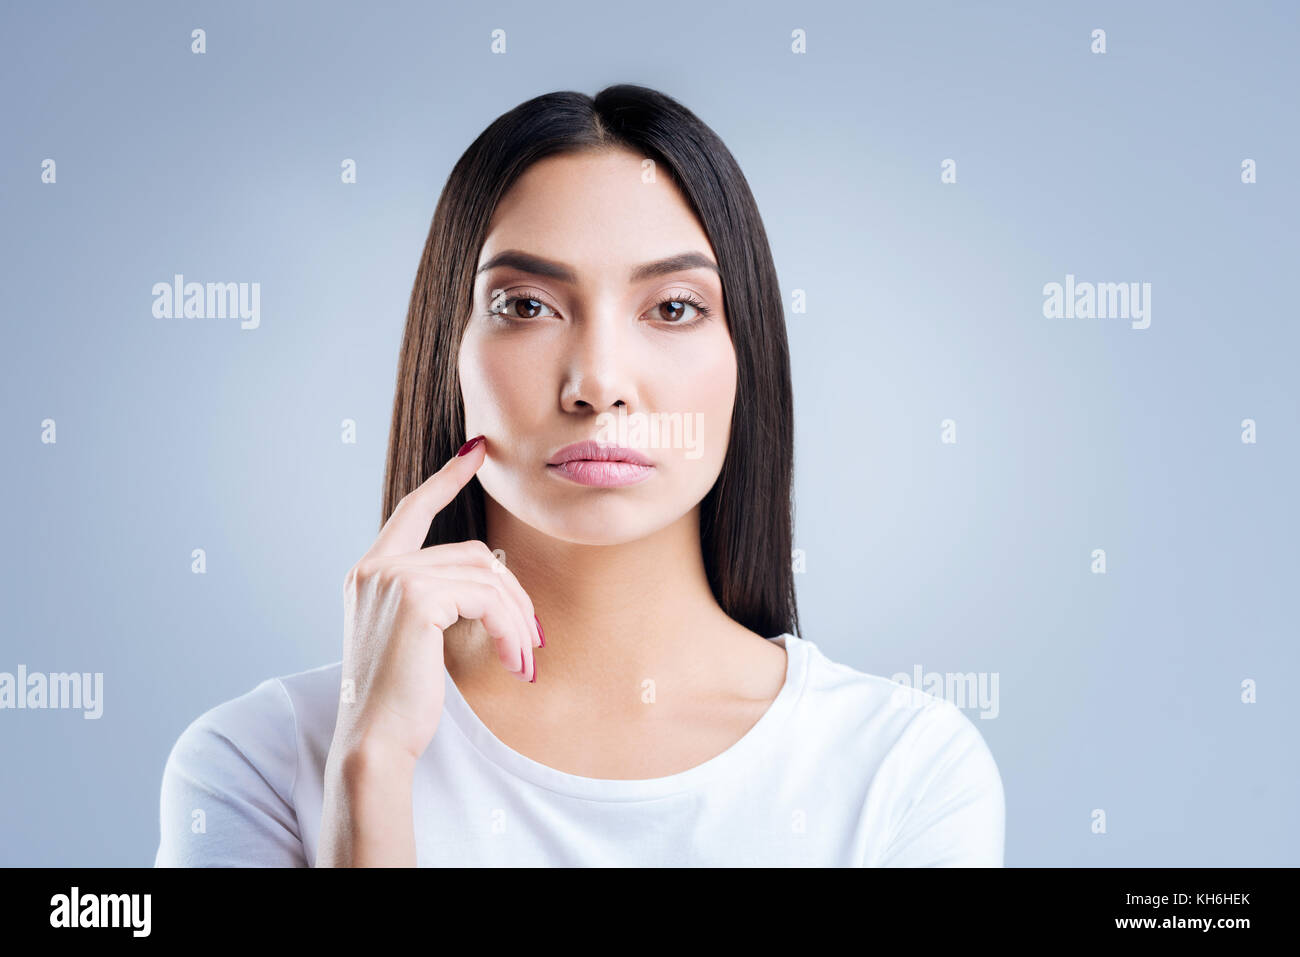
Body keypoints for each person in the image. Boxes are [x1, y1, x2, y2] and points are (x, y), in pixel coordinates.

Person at [154, 84, 1004, 867]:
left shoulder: (905, 772)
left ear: (749, 361)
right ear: (445, 359)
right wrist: (369, 772)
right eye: (526, 305)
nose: (599, 382)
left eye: (673, 308)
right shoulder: (260, 761)